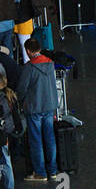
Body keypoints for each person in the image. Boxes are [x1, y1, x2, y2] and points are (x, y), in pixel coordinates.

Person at [15, 38, 58, 181]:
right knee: (50, 138)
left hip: (34, 108)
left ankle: (40, 172)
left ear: (28, 51)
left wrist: (19, 101)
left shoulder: (29, 68)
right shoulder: (50, 63)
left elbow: (22, 89)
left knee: (36, 140)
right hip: (49, 105)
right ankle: (53, 170)